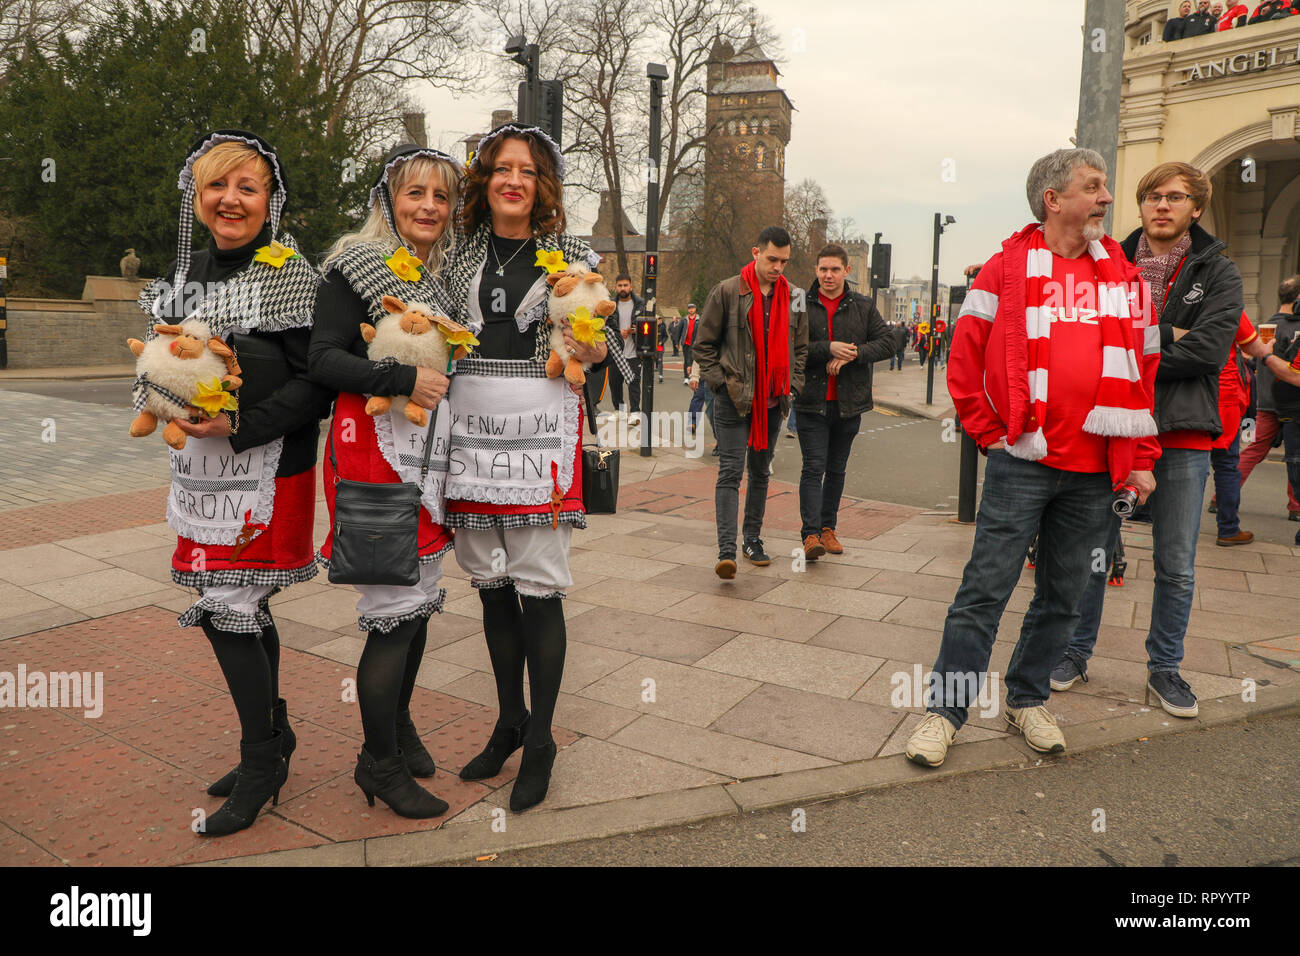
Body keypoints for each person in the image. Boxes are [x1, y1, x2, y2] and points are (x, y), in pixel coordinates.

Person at [905, 148, 1160, 768]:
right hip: (1023, 460)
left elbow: (1146, 370)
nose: (1106, 198)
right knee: (984, 591)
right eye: (1093, 187)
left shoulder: (1128, 281)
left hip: (1095, 471)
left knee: (1064, 595)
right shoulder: (1004, 270)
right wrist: (989, 430)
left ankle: (1027, 697)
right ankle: (946, 709)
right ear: (1054, 199)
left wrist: (1143, 457)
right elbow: (963, 360)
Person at [134, 130, 331, 835]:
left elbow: (321, 382)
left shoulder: (293, 275)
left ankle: (260, 763)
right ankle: (273, 741)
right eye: (218, 185)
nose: (231, 199)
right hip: (201, 474)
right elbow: (157, 366)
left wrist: (243, 426)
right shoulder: (182, 275)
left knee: (227, 608)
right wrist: (155, 403)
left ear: (270, 200)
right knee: (243, 609)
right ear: (198, 195)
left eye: (248, 187)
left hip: (269, 468)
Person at [439, 122, 611, 812]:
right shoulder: (457, 253)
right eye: (503, 169)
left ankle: (541, 738)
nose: (515, 180)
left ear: (543, 187)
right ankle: (509, 718)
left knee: (539, 589)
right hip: (473, 431)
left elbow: (602, 337)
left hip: (541, 429)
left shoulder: (570, 252)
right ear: (485, 181)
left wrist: (593, 347)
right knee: (491, 586)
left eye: (528, 171)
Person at [1051, 161, 1242, 720]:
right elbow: (1081, 335)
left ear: (1196, 208)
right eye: (1153, 196)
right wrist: (1166, 335)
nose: (1163, 205)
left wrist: (1132, 344)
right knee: (1092, 553)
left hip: (1181, 432)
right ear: (1140, 205)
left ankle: (1165, 670)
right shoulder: (1103, 261)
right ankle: (1072, 653)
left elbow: (1209, 351)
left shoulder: (1219, 270)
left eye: (1176, 197)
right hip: (1111, 429)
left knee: (1175, 562)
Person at [309, 144, 466, 818]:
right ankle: (377, 765)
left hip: (420, 455)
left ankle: (396, 732)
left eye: (440, 197)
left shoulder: (435, 276)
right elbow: (323, 360)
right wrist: (403, 378)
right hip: (371, 451)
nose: (428, 207)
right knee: (393, 619)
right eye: (415, 194)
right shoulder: (354, 266)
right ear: (388, 201)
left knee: (419, 604)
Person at [693, 225, 808, 577]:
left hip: (773, 401)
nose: (778, 267)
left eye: (784, 261)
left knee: (760, 472)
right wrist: (720, 384)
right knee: (730, 472)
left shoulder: (795, 297)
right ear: (756, 252)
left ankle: (752, 540)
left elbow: (800, 348)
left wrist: (793, 385)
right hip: (733, 399)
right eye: (772, 259)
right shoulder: (727, 291)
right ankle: (726, 551)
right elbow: (703, 345)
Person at [796, 243, 896, 559]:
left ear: (846, 271)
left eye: (835, 269)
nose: (828, 275)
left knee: (836, 469)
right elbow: (791, 348)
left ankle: (828, 530)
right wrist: (828, 348)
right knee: (813, 467)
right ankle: (810, 535)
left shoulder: (863, 306)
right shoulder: (800, 305)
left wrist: (853, 354)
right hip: (811, 401)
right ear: (816, 270)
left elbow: (889, 342)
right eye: (823, 269)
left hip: (848, 403)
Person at [1238, 276, 1300, 517]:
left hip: (1265, 401)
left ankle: (1221, 495)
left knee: (1254, 450)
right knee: (1296, 455)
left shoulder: (1266, 326)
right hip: (1292, 402)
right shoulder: (1295, 327)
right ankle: (1296, 506)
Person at [1209, 315, 1270, 545]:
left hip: (1191, 391)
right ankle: (1228, 529)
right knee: (1226, 466)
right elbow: (1253, 346)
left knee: (1189, 462)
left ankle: (1179, 526)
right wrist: (1268, 349)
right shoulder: (1228, 300)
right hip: (1224, 395)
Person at [606, 272, 644, 413]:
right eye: (620, 285)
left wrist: (636, 330)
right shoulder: (610, 305)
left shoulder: (640, 304)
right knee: (615, 385)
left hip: (634, 351)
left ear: (631, 287)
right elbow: (605, 325)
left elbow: (647, 324)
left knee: (634, 383)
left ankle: (635, 412)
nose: (623, 288)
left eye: (625, 285)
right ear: (616, 287)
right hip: (616, 352)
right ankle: (619, 411)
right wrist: (617, 333)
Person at [682, 302, 700, 383]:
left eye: (692, 308)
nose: (691, 310)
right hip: (686, 343)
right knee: (686, 360)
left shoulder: (699, 319)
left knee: (694, 360)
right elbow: (679, 331)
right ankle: (686, 377)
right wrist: (676, 342)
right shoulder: (684, 319)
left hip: (695, 343)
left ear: (695, 309)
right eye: (690, 308)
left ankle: (693, 376)